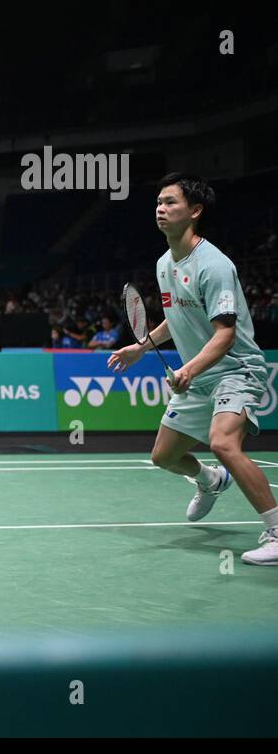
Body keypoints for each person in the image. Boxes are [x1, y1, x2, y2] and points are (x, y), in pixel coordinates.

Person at [107, 173, 277, 565]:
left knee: (222, 443)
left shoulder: (214, 266)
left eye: (170, 203)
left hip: (237, 370)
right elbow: (176, 317)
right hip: (201, 375)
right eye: (158, 203)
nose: (160, 210)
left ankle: (276, 530)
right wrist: (141, 347)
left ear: (195, 211)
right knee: (163, 456)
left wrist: (189, 370)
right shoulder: (165, 263)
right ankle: (211, 479)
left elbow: (225, 334)